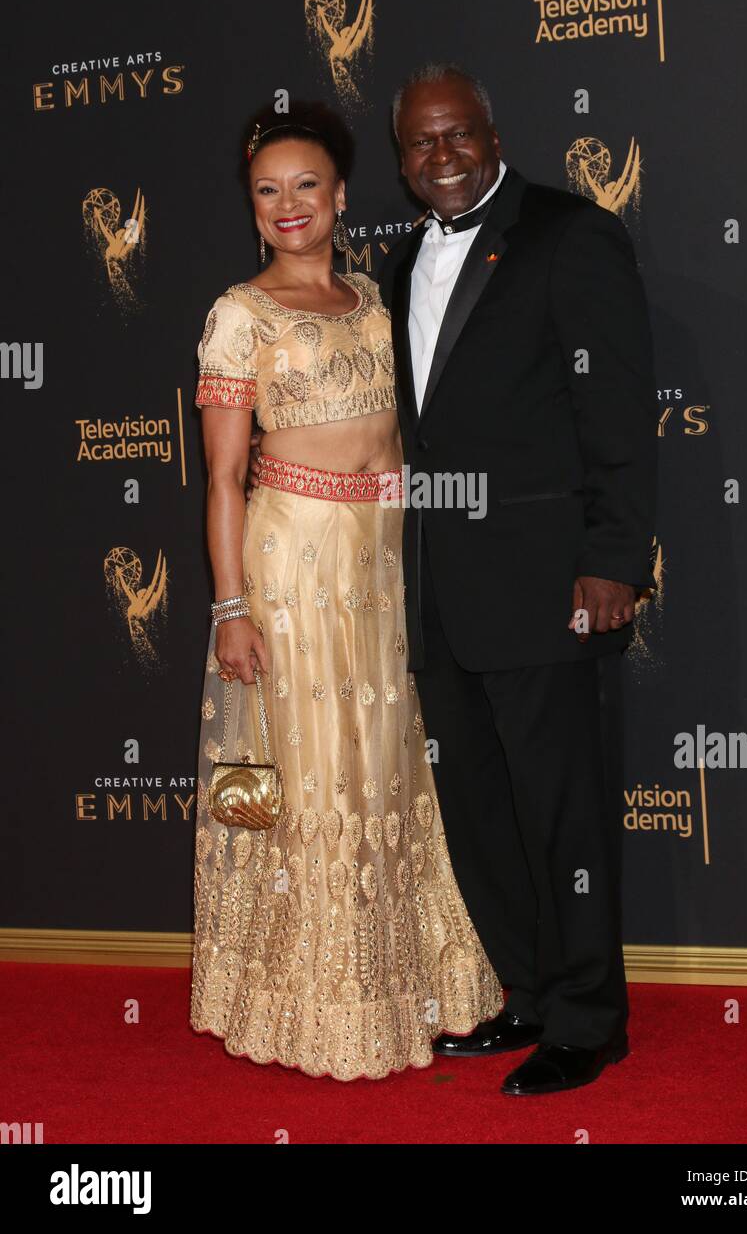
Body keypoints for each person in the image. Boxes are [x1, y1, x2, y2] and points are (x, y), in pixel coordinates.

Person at [188, 101, 502, 1082]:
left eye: (306, 186)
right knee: (305, 777)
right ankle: (311, 999)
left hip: (378, 564)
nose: (289, 206)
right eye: (267, 192)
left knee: (384, 769)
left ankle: (410, 980)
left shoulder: (374, 299)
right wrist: (230, 607)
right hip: (290, 567)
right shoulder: (239, 315)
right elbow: (223, 479)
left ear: (340, 196)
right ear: (252, 208)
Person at [377, 64, 658, 1095]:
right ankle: (531, 994)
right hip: (442, 591)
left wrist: (610, 560)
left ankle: (589, 1019)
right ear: (399, 157)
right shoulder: (403, 254)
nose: (439, 157)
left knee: (560, 810)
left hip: (547, 585)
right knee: (481, 813)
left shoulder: (567, 234)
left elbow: (619, 417)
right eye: (418, 143)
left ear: (491, 133)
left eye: (456, 135)